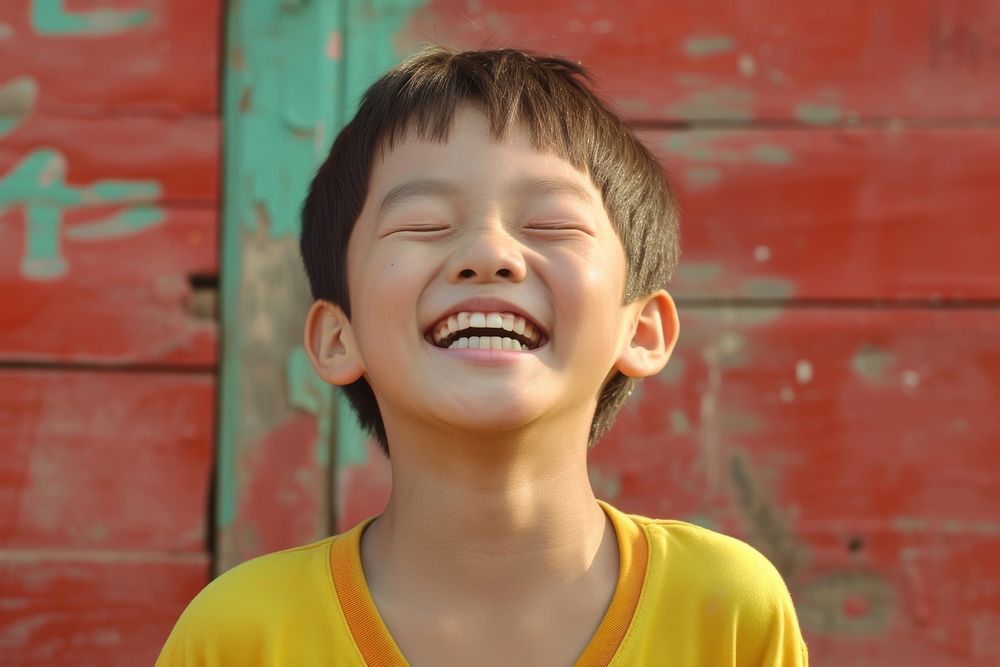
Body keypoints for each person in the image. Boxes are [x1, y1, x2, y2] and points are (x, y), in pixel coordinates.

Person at [156, 45, 808, 666]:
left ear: (642, 329)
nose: (490, 253)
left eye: (551, 224)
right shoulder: (241, 633)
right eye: (424, 225)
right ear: (337, 336)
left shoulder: (727, 610)